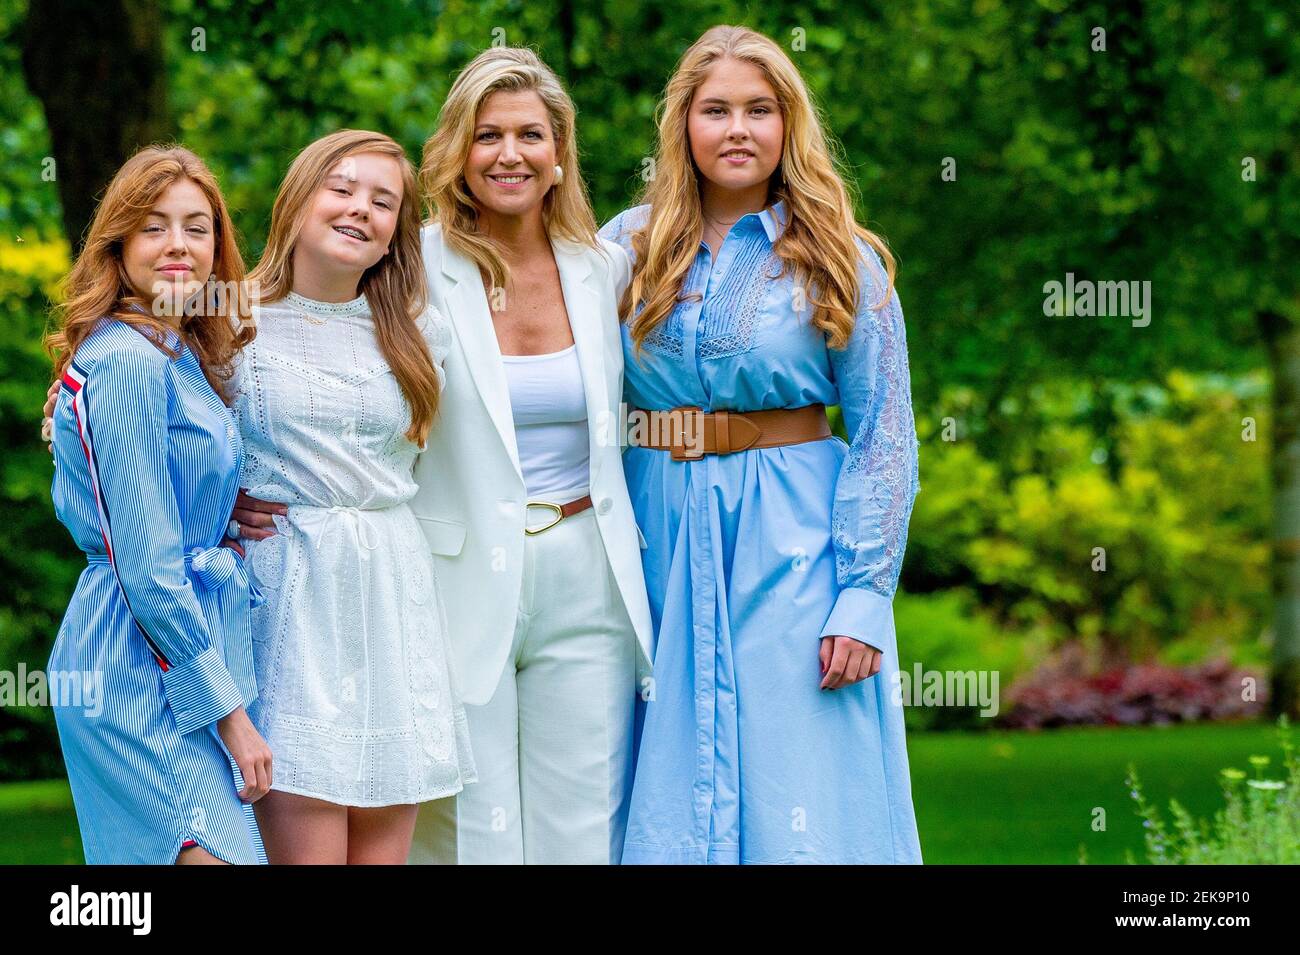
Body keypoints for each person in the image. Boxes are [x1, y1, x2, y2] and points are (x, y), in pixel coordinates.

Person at [599, 24, 924, 864]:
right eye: (715, 110)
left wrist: (862, 595)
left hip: (795, 542)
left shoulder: (840, 256)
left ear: (788, 125)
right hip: (655, 530)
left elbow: (885, 434)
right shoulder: (622, 249)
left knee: (797, 779)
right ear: (683, 126)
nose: (737, 129)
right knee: (658, 765)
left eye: (758, 109)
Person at [405, 46, 654, 863]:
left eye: (529, 135)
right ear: (459, 154)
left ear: (558, 155)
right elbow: (292, 328)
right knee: (467, 826)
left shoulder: (604, 268)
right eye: (487, 136)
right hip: (455, 571)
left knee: (582, 822)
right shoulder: (408, 266)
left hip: (587, 568)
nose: (509, 153)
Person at [226, 129, 476, 864]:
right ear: (298, 198)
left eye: (383, 201)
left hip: (390, 597)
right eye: (341, 188)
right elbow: (161, 436)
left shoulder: (418, 332)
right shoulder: (227, 321)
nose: (359, 208)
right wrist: (218, 513)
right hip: (289, 593)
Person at [44, 145, 270, 864]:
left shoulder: (173, 352)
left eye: (196, 228)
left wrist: (223, 512)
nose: (178, 244)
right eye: (154, 227)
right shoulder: (128, 361)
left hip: (168, 655)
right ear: (119, 244)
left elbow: (154, 494)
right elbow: (146, 568)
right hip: (134, 663)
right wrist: (232, 715)